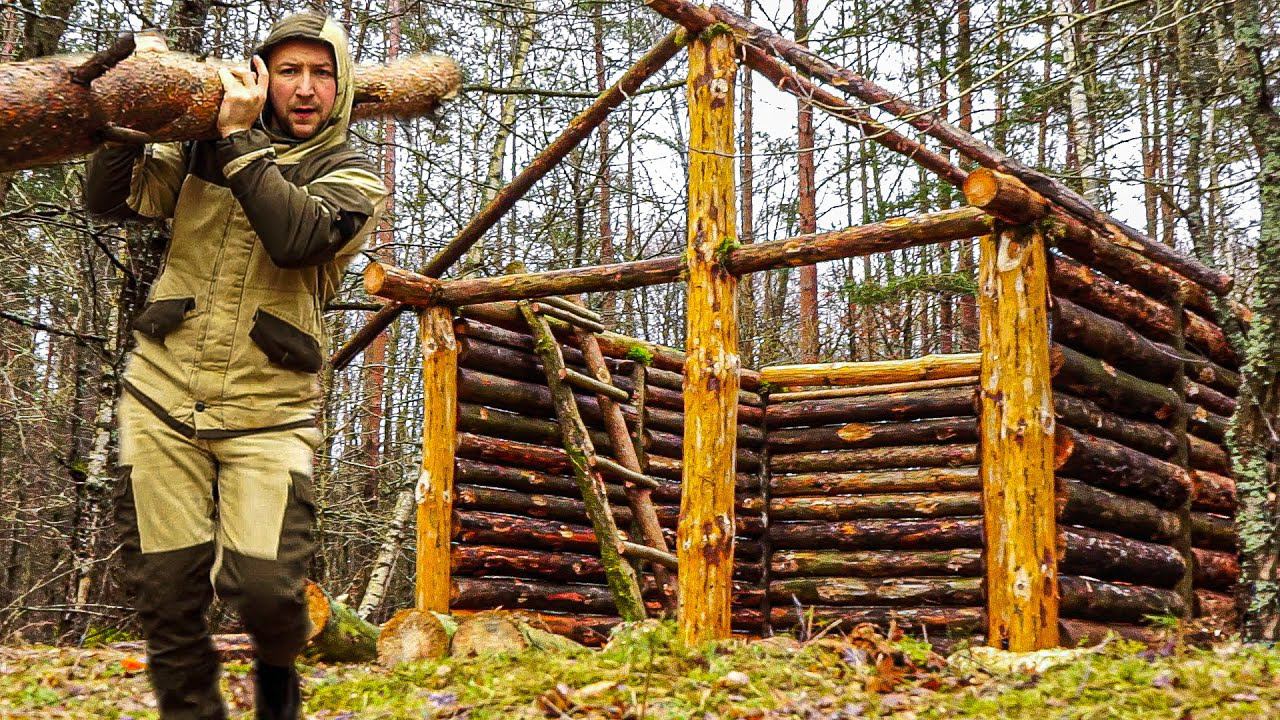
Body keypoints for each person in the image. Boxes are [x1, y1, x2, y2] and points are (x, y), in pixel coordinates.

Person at [83, 12, 386, 720]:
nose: (304, 89)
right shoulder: (199, 147)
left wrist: (239, 139)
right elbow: (110, 199)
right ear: (262, 77)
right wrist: (131, 109)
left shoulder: (353, 176)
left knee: (265, 589)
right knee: (166, 591)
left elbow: (295, 238)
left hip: (268, 409)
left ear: (342, 85)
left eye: (321, 73)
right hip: (162, 391)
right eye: (289, 71)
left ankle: (277, 671)